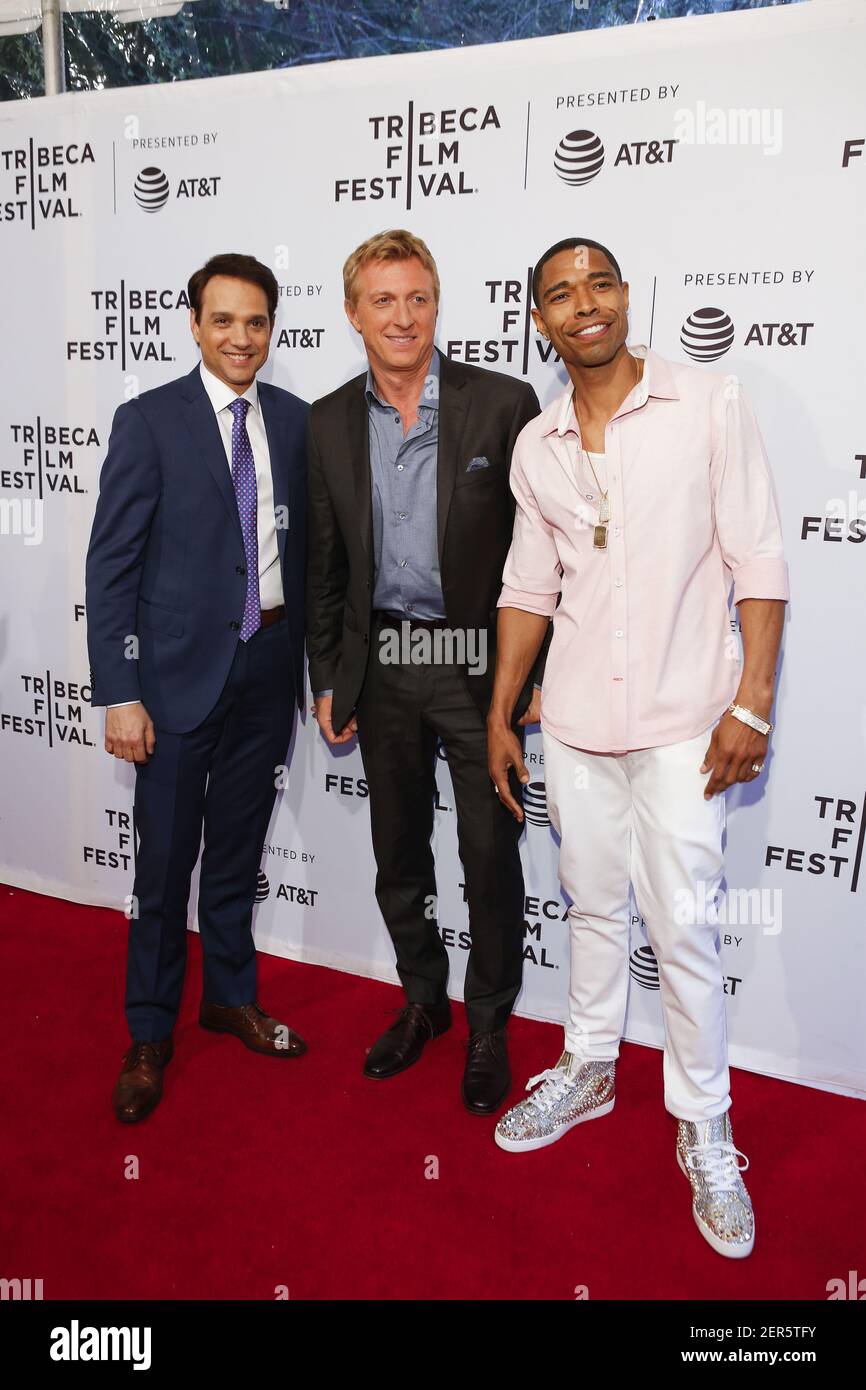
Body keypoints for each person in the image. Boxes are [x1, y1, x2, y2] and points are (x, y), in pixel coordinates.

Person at [487, 237, 788, 1257]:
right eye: (559, 294)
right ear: (539, 319)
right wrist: (500, 707)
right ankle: (588, 1066)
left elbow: (757, 553)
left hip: (680, 723)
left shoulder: (707, 402)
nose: (583, 305)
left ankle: (702, 1122)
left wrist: (749, 703)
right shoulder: (537, 446)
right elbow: (529, 586)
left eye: (598, 284)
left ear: (625, 296)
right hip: (571, 721)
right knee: (591, 906)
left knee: (685, 928)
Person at [306, 228, 546, 1113]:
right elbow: (326, 565)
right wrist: (331, 675)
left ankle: (488, 1023)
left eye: (417, 299)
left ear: (437, 304)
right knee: (397, 848)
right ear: (352, 313)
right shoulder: (330, 421)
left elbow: (542, 549)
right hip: (387, 658)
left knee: (489, 854)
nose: (402, 318)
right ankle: (423, 1003)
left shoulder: (501, 403)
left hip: (479, 661)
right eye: (383, 301)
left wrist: (532, 672)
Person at [86, 252, 309, 1124]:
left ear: (271, 328)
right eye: (223, 320)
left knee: (238, 850)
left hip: (268, 666)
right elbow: (112, 567)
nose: (240, 337)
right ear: (193, 324)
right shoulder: (148, 421)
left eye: (255, 321)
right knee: (162, 866)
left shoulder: (291, 422)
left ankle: (228, 995)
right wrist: (119, 690)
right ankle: (149, 1031)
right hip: (172, 678)